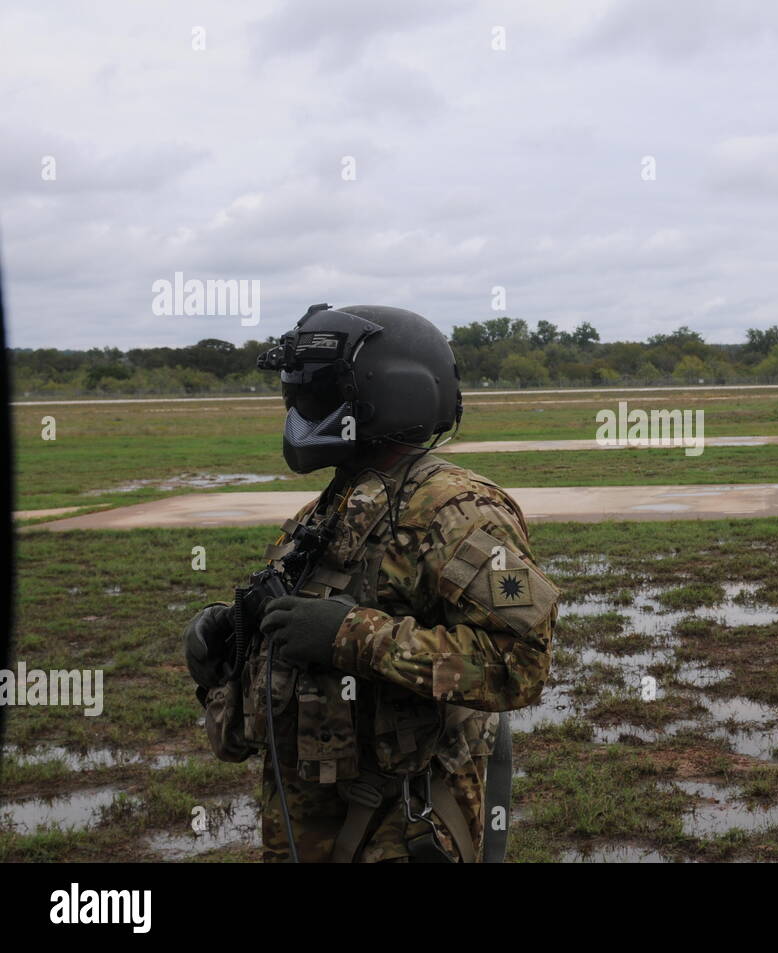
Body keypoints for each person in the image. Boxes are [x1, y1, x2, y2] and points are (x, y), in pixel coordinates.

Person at [182, 303, 557, 862]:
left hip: (402, 831)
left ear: (391, 394)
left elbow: (520, 663)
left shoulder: (457, 511)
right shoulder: (330, 509)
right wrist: (233, 649)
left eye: (319, 393)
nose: (300, 408)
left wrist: (353, 637)